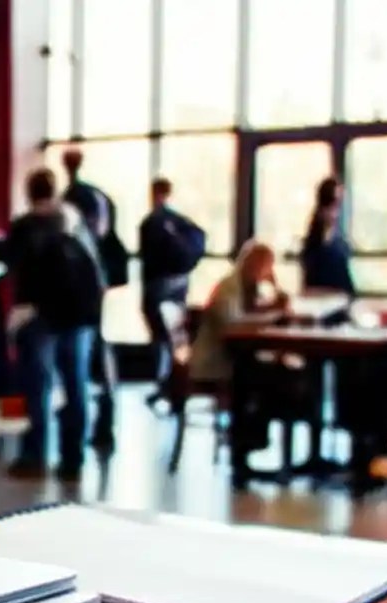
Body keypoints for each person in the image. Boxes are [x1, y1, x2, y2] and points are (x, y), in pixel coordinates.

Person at [4, 168, 104, 481]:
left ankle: (35, 456)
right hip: (79, 313)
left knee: (40, 387)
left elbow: (13, 265)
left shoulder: (25, 226)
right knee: (76, 385)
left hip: (39, 315)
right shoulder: (77, 222)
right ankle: (72, 459)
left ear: (29, 190)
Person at [61, 148, 124, 451]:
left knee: (89, 357)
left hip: (85, 289)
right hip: (102, 281)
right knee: (102, 355)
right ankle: (105, 421)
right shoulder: (99, 197)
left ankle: (96, 422)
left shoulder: (74, 200)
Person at [139, 177, 205, 405]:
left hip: (157, 285)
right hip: (179, 284)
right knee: (175, 336)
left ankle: (164, 381)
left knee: (160, 338)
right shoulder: (181, 222)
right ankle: (171, 380)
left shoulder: (151, 223)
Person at [189, 241, 289, 385]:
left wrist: (275, 292)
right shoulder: (228, 288)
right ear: (253, 264)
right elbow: (231, 324)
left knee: (281, 371)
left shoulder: (248, 287)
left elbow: (251, 312)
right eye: (267, 266)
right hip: (219, 359)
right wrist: (269, 318)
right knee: (278, 377)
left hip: (237, 356)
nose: (268, 271)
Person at [300, 178, 355, 296]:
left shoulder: (338, 240)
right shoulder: (315, 244)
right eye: (335, 205)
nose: (337, 212)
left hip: (342, 300)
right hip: (326, 302)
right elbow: (309, 283)